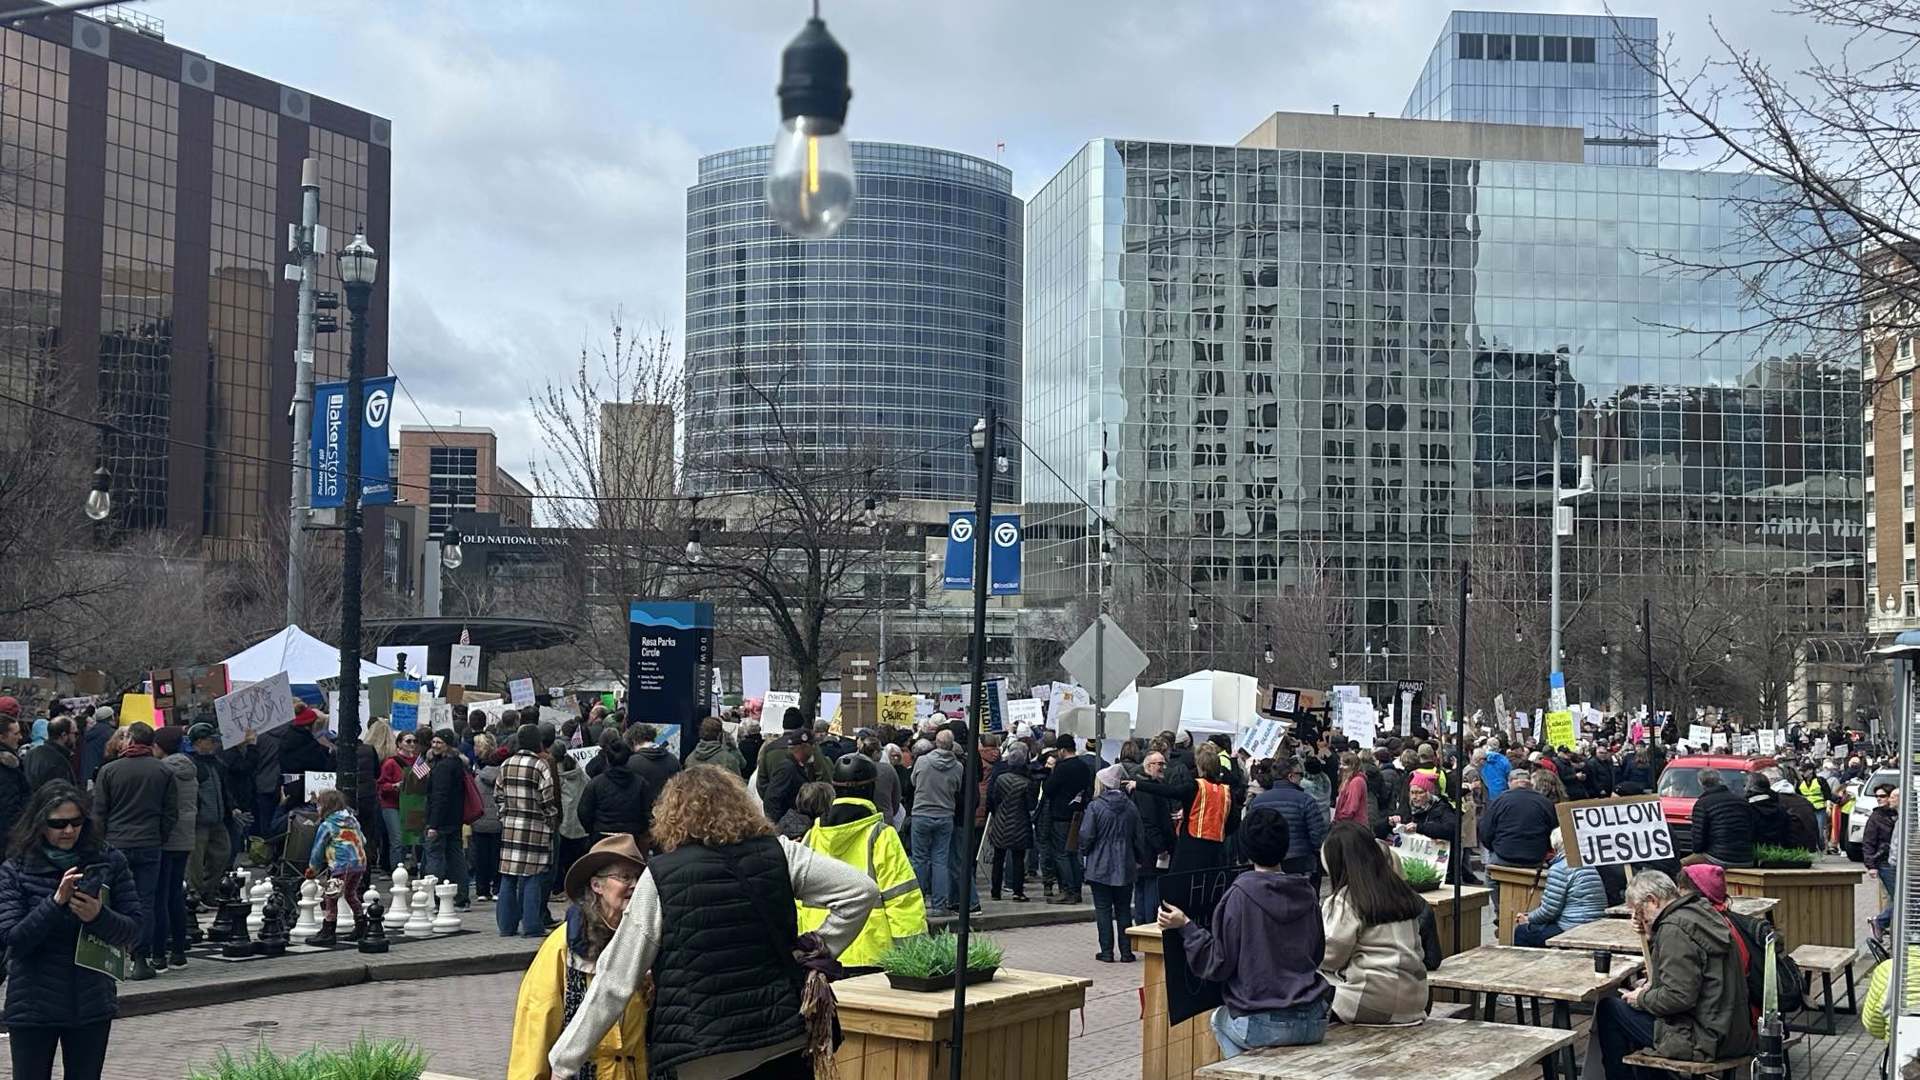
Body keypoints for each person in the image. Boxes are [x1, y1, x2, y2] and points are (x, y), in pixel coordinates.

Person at [547, 765, 879, 1080]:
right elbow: (861, 891)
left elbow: (616, 979)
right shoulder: (779, 853)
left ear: (671, 816)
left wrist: (564, 1061)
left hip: (706, 1052)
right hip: (783, 1038)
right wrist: (818, 945)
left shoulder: (662, 877)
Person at [1157, 808, 1330, 1058]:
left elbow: (1219, 963)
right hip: (1315, 1018)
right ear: (1286, 845)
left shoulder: (1240, 895)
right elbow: (1317, 952)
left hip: (1263, 1021)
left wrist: (1186, 926)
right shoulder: (1307, 892)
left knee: (1219, 1020)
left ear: (1245, 848)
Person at [0, 782, 142, 1080]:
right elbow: (14, 940)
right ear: (40, 823)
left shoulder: (108, 860)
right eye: (58, 824)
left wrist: (98, 916)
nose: (68, 831)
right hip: (33, 1003)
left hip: (90, 1001)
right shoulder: (16, 868)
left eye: (76, 822)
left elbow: (134, 930)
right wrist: (55, 903)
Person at [509, 834, 649, 1080]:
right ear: (597, 885)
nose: (635, 885)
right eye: (625, 877)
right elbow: (536, 1025)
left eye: (639, 878)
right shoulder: (564, 945)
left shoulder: (646, 939)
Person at [1594, 870, 1754, 1078]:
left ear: (1652, 901)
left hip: (1705, 1039)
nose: (1636, 918)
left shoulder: (1674, 929)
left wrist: (1641, 998)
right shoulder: (1701, 911)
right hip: (1732, 1031)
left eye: (1637, 910)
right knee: (1633, 1017)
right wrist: (1651, 935)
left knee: (1610, 1009)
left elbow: (1678, 997)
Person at [796, 753, 927, 971]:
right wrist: (915, 955)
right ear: (871, 789)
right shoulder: (881, 835)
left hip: (821, 954)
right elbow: (902, 899)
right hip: (872, 955)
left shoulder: (812, 835)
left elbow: (798, 902)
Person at [1319, 821, 1430, 1026]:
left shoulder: (1347, 899)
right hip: (1415, 999)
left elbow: (1330, 956)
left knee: (1309, 981)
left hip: (1372, 1002)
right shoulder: (1400, 891)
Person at [90, 721, 175, 981]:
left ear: (130, 741)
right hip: (149, 843)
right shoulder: (163, 771)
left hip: (116, 843)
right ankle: (141, 957)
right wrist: (159, 836)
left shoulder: (109, 771)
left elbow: (99, 812)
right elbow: (171, 813)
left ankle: (112, 954)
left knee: (112, 899)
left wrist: (99, 842)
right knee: (144, 901)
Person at [498, 723, 561, 938]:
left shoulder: (506, 764)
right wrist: (550, 820)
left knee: (508, 876)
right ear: (538, 742)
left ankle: (506, 927)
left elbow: (498, 795)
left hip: (511, 826)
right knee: (532, 878)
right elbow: (547, 799)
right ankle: (532, 926)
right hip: (535, 827)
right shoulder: (540, 766)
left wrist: (504, 815)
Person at [1080, 764, 1148, 963]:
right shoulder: (1130, 806)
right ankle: (1126, 952)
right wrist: (1138, 858)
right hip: (1125, 862)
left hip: (1099, 863)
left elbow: (1086, 835)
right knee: (1124, 909)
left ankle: (1107, 951)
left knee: (1103, 909)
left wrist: (1084, 852)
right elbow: (1139, 837)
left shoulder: (1095, 806)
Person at [151, 726, 198, 971]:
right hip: (185, 838)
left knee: (160, 895)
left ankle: (159, 952)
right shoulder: (190, 768)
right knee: (176, 894)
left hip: (166, 839)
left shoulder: (162, 771)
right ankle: (179, 950)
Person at [1512, 829, 1606, 946]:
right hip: (1594, 924)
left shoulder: (1560, 868)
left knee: (1522, 932)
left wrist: (1528, 918)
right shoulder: (1587, 864)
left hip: (1573, 927)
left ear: (1555, 847)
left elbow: (1549, 910)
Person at [910, 729, 965, 914]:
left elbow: (913, 782)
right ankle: (939, 904)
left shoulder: (922, 761)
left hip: (921, 813)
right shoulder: (958, 767)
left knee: (919, 860)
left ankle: (917, 902)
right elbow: (957, 787)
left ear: (936, 742)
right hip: (945, 815)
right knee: (940, 861)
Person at [305, 788, 369, 944]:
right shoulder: (352, 820)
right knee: (350, 893)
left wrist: (312, 868)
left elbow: (317, 849)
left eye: (319, 805)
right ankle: (361, 925)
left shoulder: (328, 825)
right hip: (359, 863)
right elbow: (364, 840)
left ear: (326, 806)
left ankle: (328, 930)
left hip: (342, 864)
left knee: (330, 896)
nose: (317, 808)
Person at [1248, 757, 1327, 880]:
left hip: (1267, 862)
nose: (1302, 778)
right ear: (1291, 777)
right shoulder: (1306, 800)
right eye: (1300, 774)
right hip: (1300, 863)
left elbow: (1250, 832)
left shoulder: (1257, 802)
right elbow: (1318, 835)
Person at [1129, 749, 1181, 922]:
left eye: (1163, 763)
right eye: (1158, 764)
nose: (1162, 767)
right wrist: (1161, 848)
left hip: (1144, 847)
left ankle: (1141, 925)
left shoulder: (1152, 786)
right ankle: (1147, 926)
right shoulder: (1147, 790)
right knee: (1149, 889)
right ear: (1148, 766)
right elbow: (1149, 822)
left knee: (1143, 890)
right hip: (1150, 849)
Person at [423, 729, 471, 910]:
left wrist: (433, 824)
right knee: (456, 856)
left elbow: (440, 796)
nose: (434, 745)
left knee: (435, 857)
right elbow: (416, 776)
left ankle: (435, 896)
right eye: (433, 742)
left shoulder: (443, 767)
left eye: (439, 743)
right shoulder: (456, 763)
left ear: (448, 745)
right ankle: (461, 896)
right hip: (454, 819)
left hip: (440, 820)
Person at [577, 735, 650, 845]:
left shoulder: (596, 783)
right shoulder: (641, 783)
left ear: (607, 759)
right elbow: (647, 811)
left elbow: (583, 812)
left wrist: (593, 829)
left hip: (601, 836)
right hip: (631, 838)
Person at [987, 741, 1036, 902]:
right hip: (1020, 823)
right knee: (1018, 859)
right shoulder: (1027, 783)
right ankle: (1017, 891)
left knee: (998, 857)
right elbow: (1030, 805)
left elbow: (994, 799)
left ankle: (995, 890)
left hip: (1001, 820)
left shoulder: (1000, 779)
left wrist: (997, 813)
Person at [1480, 769, 1557, 870]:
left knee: (1491, 877)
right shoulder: (1545, 803)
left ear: (1509, 783)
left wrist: (1494, 848)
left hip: (1504, 856)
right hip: (1536, 857)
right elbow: (1554, 831)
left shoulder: (1500, 801)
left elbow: (1486, 830)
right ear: (1530, 783)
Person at [1686, 768, 1756, 868]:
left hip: (1718, 856)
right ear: (1720, 780)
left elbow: (1698, 839)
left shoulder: (1702, 804)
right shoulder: (1741, 801)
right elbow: (1752, 828)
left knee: (1679, 866)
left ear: (1700, 783)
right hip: (1746, 857)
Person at [376, 730, 423, 871]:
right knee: (397, 840)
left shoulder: (419, 761)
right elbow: (380, 785)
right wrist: (393, 786)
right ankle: (397, 872)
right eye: (408, 741)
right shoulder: (390, 762)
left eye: (414, 741)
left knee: (412, 840)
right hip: (392, 805)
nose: (412, 744)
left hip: (412, 804)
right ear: (399, 744)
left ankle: (407, 868)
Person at [471, 733, 505, 903]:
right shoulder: (503, 771)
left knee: (481, 857)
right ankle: (497, 887)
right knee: (498, 856)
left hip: (481, 818)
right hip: (498, 819)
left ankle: (482, 889)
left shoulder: (477, 772)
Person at [1863, 782, 1898, 940]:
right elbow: (1868, 842)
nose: (1880, 799)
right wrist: (1871, 865)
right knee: (1897, 898)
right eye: (1877, 796)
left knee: (1894, 898)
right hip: (1884, 862)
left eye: (1883, 796)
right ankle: (1881, 922)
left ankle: (1884, 925)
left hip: (1896, 862)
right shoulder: (1876, 817)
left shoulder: (1899, 815)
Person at [23, 716, 77, 791]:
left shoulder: (31, 754)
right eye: (75, 733)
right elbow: (61, 794)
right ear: (64, 735)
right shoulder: (58, 761)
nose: (76, 738)